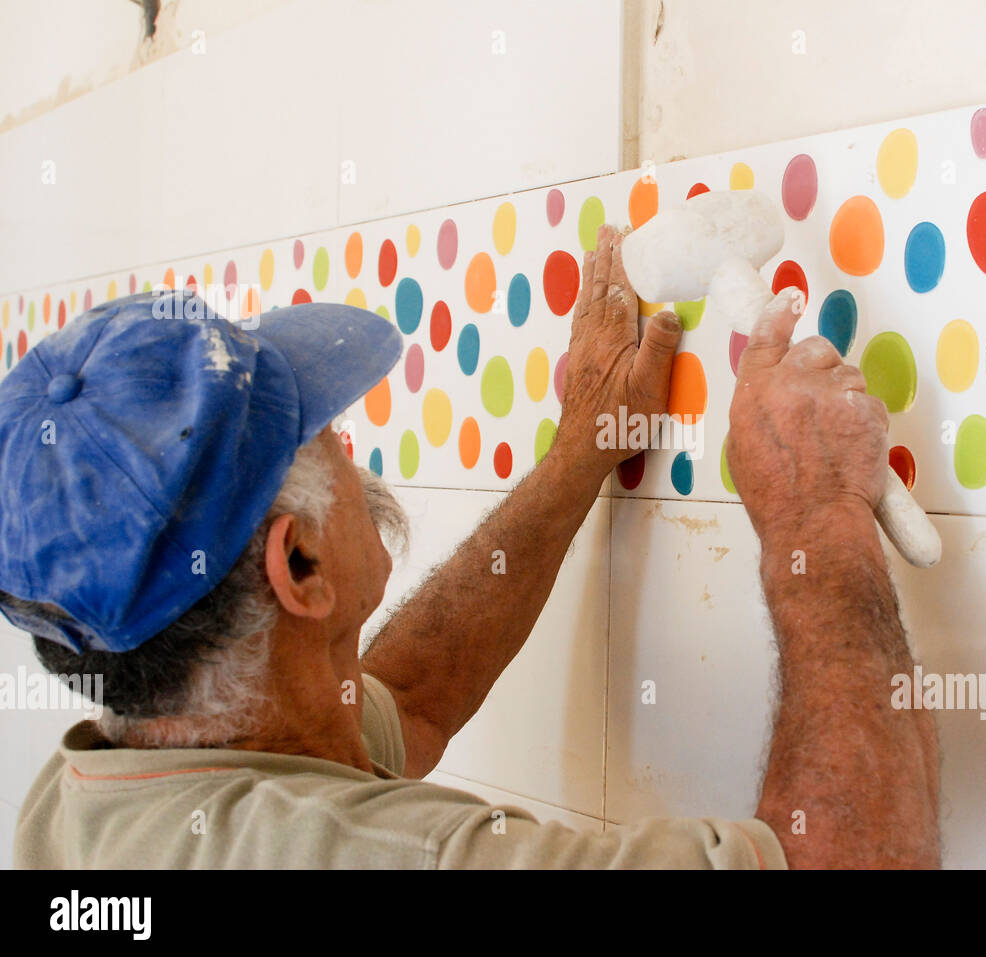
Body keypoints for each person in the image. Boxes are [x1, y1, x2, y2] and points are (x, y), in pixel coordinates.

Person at [2, 224, 937, 868]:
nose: (348, 440)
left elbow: (405, 702)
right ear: (299, 566)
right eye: (318, 425)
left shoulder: (90, 801)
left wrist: (582, 456)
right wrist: (815, 517)